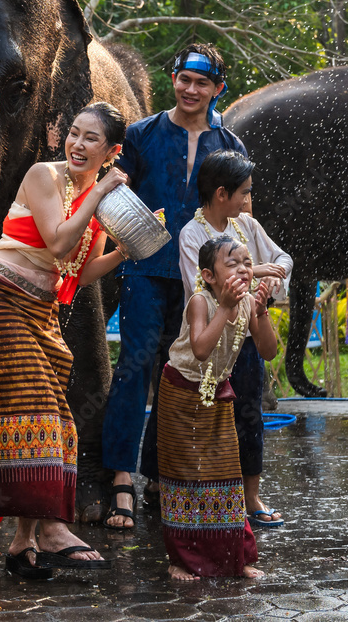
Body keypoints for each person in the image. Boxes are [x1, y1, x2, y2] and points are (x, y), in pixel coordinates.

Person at [0, 102, 134, 578]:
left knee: (57, 423)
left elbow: (77, 274)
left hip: (42, 310)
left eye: (91, 139)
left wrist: (123, 252)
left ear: (112, 150)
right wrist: (100, 190)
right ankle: (55, 528)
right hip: (0, 298)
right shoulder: (44, 175)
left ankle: (23, 542)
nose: (77, 145)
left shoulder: (98, 204)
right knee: (39, 409)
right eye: (74, 134)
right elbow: (58, 243)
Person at [102, 44, 248, 530]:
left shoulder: (228, 143)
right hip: (145, 267)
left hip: (201, 278)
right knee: (135, 363)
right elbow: (116, 196)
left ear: (217, 89)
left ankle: (162, 473)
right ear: (174, 79)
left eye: (201, 83)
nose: (190, 89)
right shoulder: (141, 135)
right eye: (183, 79)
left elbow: (240, 216)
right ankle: (120, 476)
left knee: (181, 368)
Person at [177, 150, 292, 528]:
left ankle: (251, 496)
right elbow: (200, 284)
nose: (248, 200)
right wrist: (257, 269)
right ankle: (205, 498)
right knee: (206, 424)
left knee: (249, 419)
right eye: (244, 192)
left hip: (244, 339)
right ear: (221, 193)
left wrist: (273, 277)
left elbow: (283, 258)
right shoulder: (192, 234)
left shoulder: (246, 225)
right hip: (209, 342)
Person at [159, 236, 277, 580]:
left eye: (247, 262)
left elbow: (268, 351)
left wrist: (261, 310)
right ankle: (180, 559)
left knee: (226, 476)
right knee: (185, 478)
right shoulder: (201, 300)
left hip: (217, 392)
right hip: (181, 393)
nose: (243, 269)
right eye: (233, 263)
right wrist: (225, 308)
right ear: (209, 275)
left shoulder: (245, 302)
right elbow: (199, 349)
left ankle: (237, 557)